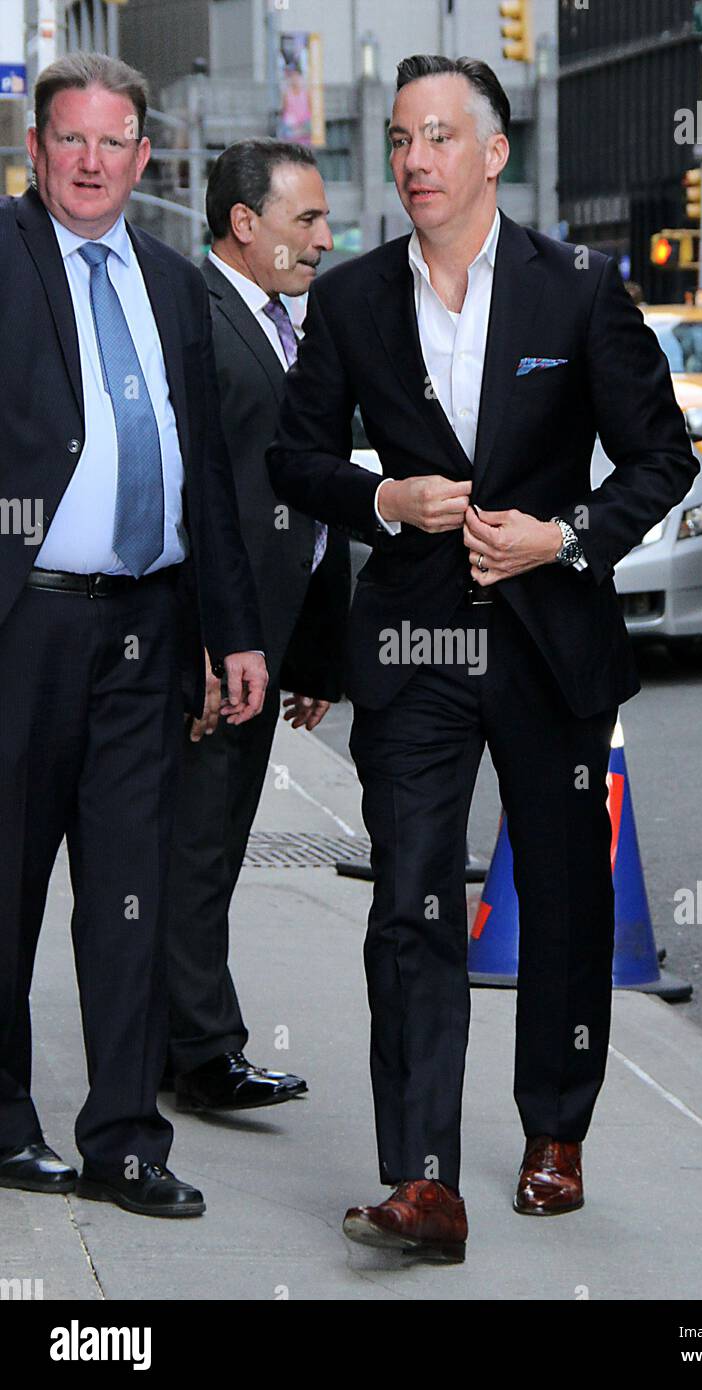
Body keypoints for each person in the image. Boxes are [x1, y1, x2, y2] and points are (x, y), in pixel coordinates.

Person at [267, 54, 698, 1262]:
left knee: (560, 900)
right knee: (408, 899)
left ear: (493, 153)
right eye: (400, 139)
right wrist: (382, 497)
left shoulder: (578, 291)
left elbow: (660, 457)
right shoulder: (349, 300)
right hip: (413, 640)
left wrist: (565, 536)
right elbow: (292, 460)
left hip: (551, 639)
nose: (413, 160)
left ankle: (555, 1129)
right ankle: (423, 1178)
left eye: (438, 137)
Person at [0, 54, 267, 1219]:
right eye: (71, 140)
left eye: (115, 142)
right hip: (26, 627)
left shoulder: (171, 284)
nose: (92, 162)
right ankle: (5, 1124)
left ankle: (122, 1141)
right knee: (6, 889)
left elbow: (205, 465)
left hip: (147, 635)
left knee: (129, 893)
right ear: (37, 145)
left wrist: (233, 630)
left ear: (145, 157)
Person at [162, 139, 349, 1113]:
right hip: (213, 646)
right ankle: (201, 1052)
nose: (324, 237)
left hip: (272, 641)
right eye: (306, 220)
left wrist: (312, 650)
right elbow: (189, 498)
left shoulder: (293, 329)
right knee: (195, 844)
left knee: (218, 843)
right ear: (245, 223)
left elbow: (304, 496)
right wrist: (202, 638)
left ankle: (178, 1040)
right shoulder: (193, 319)